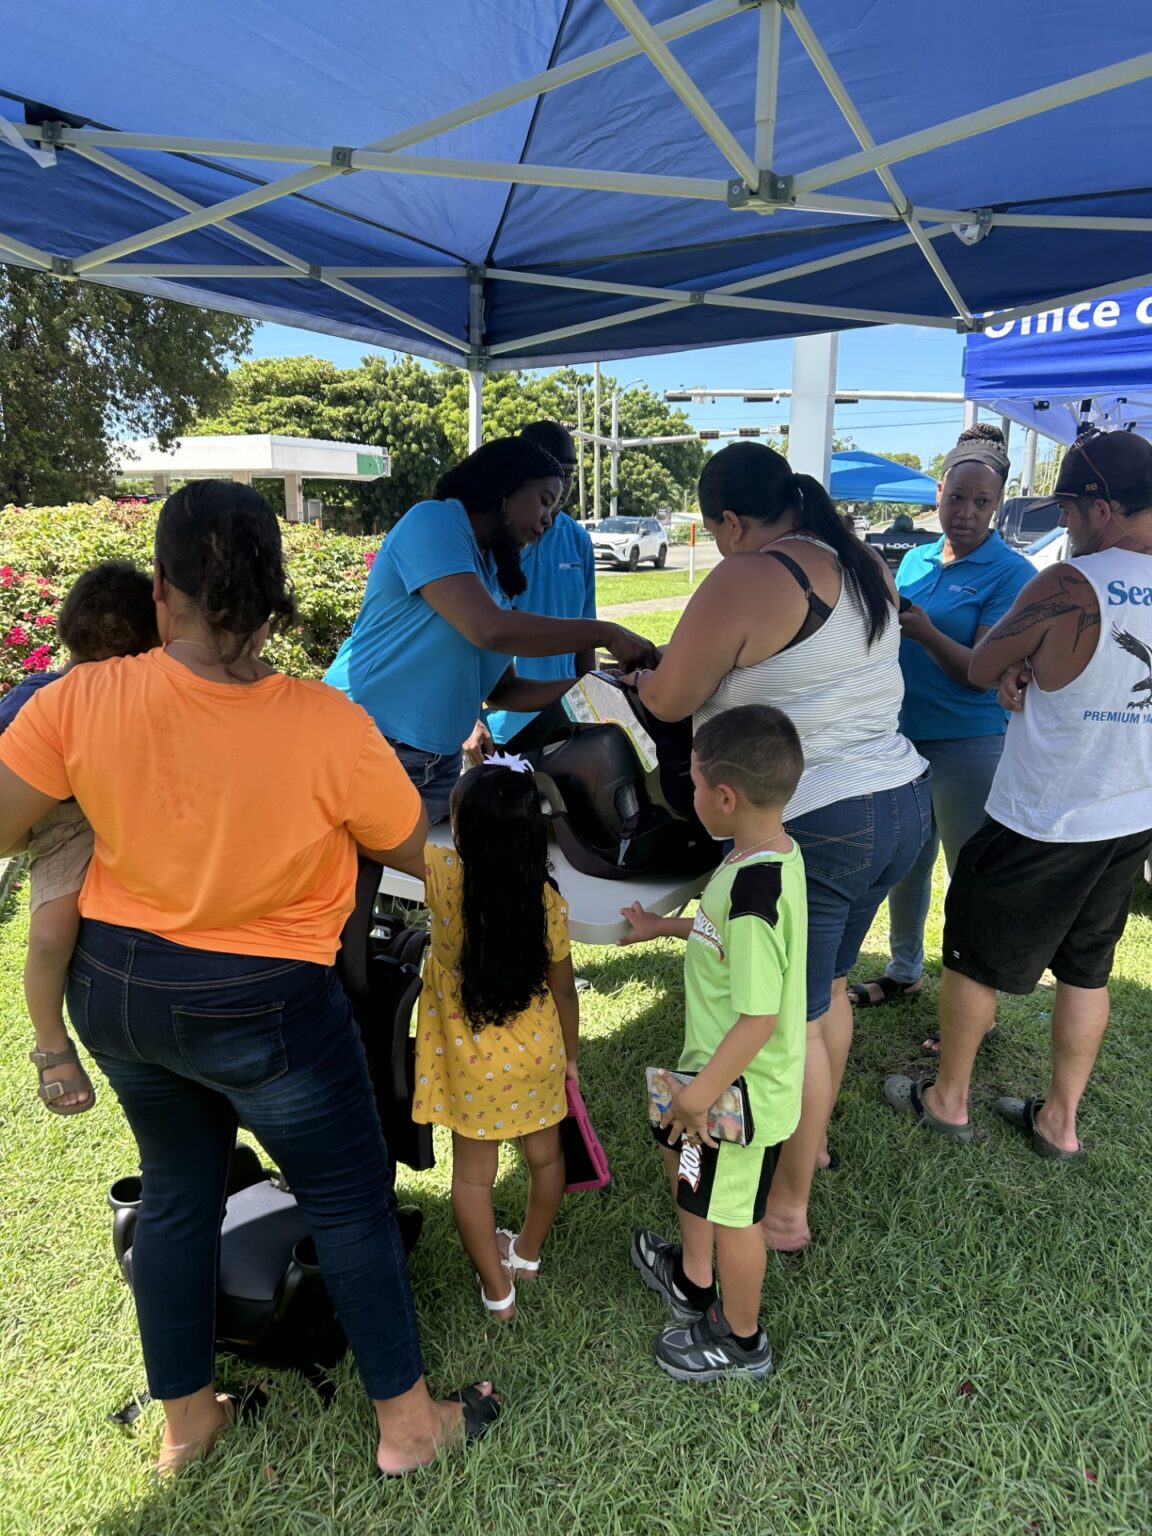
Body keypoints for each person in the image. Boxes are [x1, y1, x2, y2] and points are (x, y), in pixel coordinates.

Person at [0, 481, 502, 1477]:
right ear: (274, 598)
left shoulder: (77, 701)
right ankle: (407, 1428)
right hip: (264, 1004)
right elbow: (409, 846)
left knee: (183, 1196)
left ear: (161, 590)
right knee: (350, 1202)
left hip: (119, 995)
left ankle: (189, 1427)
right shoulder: (326, 722)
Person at [625, 442, 929, 1252]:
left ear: (730, 520)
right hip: (899, 798)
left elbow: (667, 696)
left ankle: (786, 1207)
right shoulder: (858, 556)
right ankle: (811, 1140)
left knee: (792, 1017)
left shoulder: (750, 575)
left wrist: (649, 678)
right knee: (823, 992)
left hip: (824, 814)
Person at [885, 428, 1152, 1160]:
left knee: (972, 952)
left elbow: (979, 670)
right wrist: (1034, 671)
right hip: (1130, 813)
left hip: (1044, 809)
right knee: (1087, 969)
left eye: (1067, 508)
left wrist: (1018, 665)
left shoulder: (1070, 582)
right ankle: (1059, 1123)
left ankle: (949, 1098)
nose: (1062, 524)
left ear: (1100, 505)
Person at [325, 437, 655, 821]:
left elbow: (502, 690)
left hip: (437, 766)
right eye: (545, 500)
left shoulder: (491, 572)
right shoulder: (433, 522)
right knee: (344, 877)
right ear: (506, 488)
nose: (550, 518)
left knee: (425, 877)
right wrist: (606, 634)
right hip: (369, 743)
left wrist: (595, 685)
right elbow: (488, 629)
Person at [623, 706, 806, 1381]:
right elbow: (718, 936)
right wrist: (660, 929)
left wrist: (698, 1096)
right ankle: (693, 1281)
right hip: (714, 1078)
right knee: (692, 1175)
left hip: (739, 1092)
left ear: (724, 798)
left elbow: (757, 1018)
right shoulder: (764, 855)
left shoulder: (755, 896)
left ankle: (739, 1337)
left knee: (735, 1218)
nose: (689, 794)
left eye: (694, 783)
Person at [849, 425, 1033, 1036]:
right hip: (901, 740)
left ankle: (974, 1002)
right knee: (906, 863)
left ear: (998, 505)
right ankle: (904, 969)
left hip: (969, 746)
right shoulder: (921, 557)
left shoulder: (1012, 573)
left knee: (969, 876)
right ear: (939, 492)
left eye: (983, 503)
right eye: (958, 497)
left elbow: (982, 675)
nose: (967, 513)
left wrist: (924, 630)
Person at [413, 758, 580, 1322]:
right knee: (546, 1157)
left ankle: (497, 1291)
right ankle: (527, 1255)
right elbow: (565, 993)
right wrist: (572, 1058)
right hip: (537, 1055)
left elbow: (385, 838)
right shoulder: (548, 903)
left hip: (469, 1061)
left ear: (459, 832)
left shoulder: (441, 874)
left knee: (472, 1178)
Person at [5, 562, 159, 1116]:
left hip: (117, 814)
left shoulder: (144, 692)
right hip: (62, 822)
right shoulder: (39, 694)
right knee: (52, 930)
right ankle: (51, 1043)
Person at [478, 421, 597, 751]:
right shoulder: (493, 543)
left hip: (564, 716)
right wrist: (470, 720)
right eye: (551, 475)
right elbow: (469, 640)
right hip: (503, 723)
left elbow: (585, 634)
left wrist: (591, 703)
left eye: (569, 474)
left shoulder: (578, 539)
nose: (561, 483)